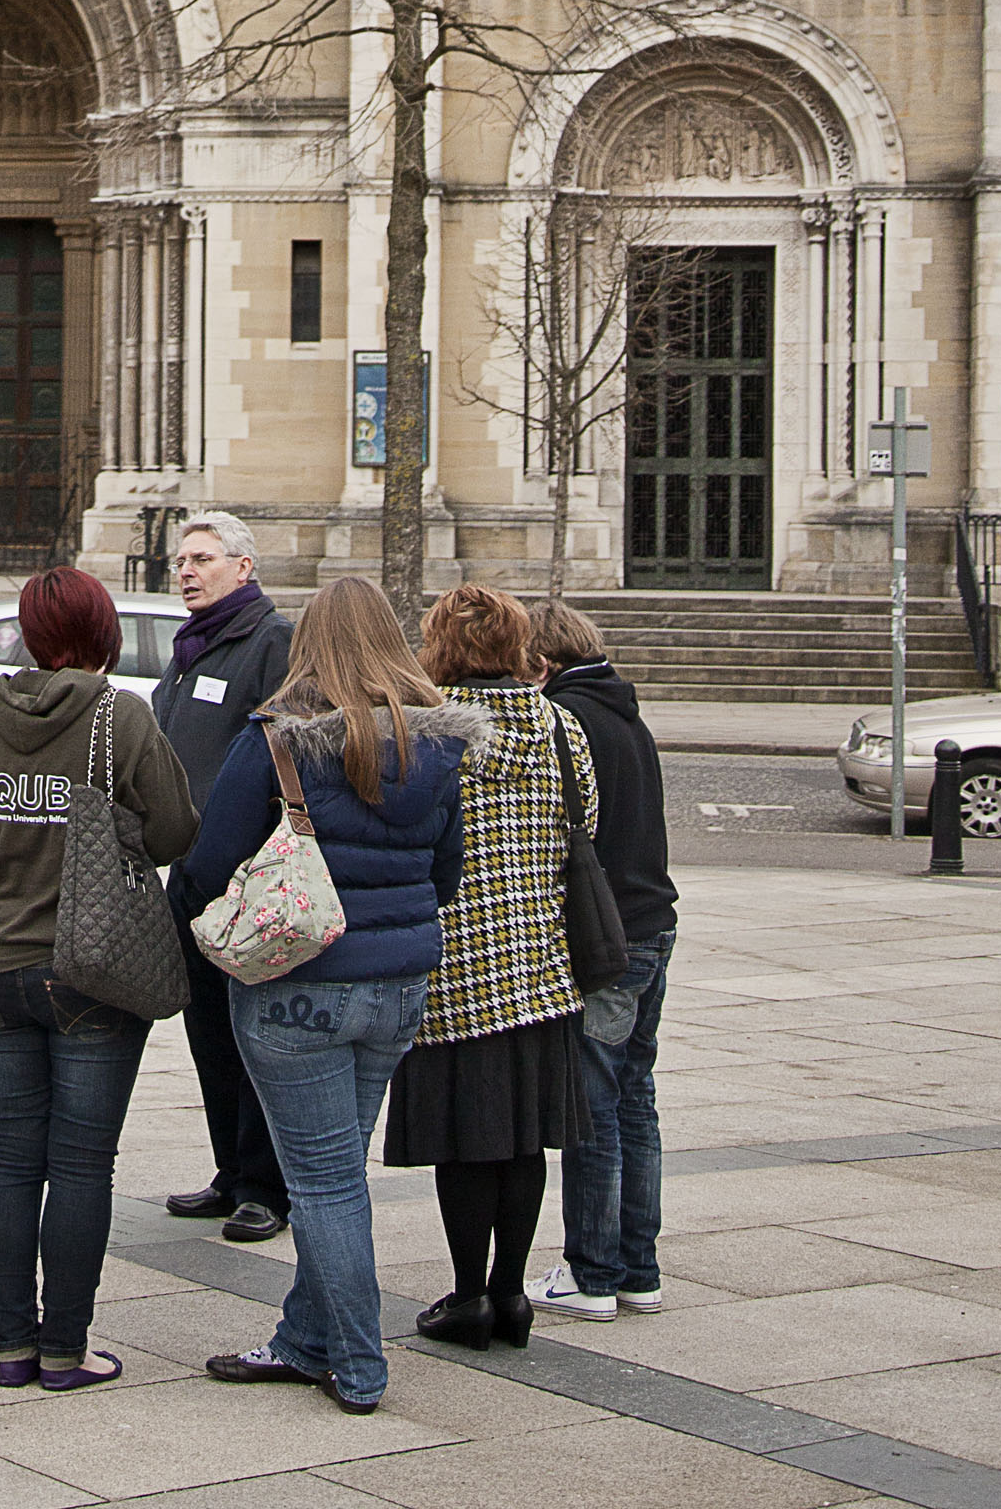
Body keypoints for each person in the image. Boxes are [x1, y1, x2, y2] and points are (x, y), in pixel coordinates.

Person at [177, 576, 475, 1417]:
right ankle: (304, 1338)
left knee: (323, 1184)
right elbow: (445, 873)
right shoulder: (435, 746)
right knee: (336, 1172)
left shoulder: (279, 740)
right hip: (398, 986)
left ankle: (357, 1362)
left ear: (309, 644)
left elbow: (207, 861)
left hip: (296, 985)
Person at [0, 564, 198, 1392]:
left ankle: (11, 1346)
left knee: (12, 1155)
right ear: (103, 632)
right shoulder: (119, 715)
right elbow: (174, 831)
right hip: (91, 966)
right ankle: (65, 1348)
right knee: (84, 1163)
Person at [385, 579, 597, 1351]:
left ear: (440, 645)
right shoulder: (560, 725)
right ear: (516, 644)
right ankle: (512, 1294)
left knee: (465, 1145)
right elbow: (588, 822)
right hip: (540, 969)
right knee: (524, 1142)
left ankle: (469, 1294)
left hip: (452, 972)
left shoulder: (424, 728)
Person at [529, 597, 676, 1320]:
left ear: (541, 662)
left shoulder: (568, 719)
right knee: (634, 1098)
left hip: (606, 936)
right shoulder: (624, 711)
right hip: (651, 924)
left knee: (594, 1106)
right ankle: (638, 1269)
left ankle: (591, 1272)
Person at [151, 507, 294, 1243]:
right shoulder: (191, 647)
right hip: (193, 876)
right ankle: (230, 1170)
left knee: (255, 1036)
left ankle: (267, 1185)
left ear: (244, 567)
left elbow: (287, 753)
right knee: (207, 1030)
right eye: (181, 561)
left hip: (250, 880)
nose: (186, 571)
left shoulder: (271, 641)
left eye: (202, 559)